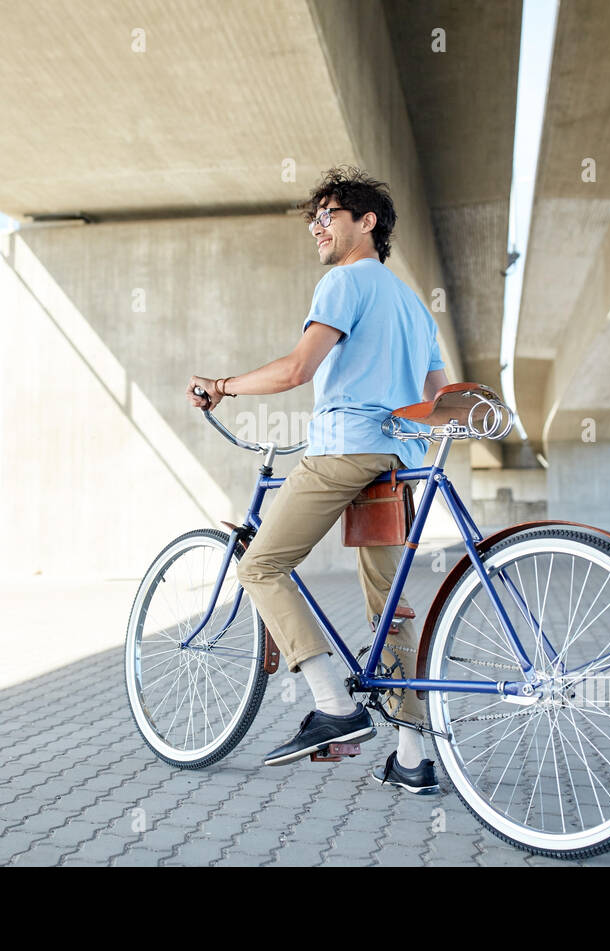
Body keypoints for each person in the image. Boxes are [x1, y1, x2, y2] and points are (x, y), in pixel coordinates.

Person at [186, 165, 449, 795]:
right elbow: (439, 399)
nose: (317, 228)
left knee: (260, 567)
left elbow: (298, 371)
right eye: (313, 219)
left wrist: (221, 386)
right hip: (394, 463)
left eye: (328, 215)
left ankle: (334, 705)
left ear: (368, 222)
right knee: (391, 609)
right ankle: (413, 759)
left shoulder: (344, 283)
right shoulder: (414, 306)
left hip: (342, 452)